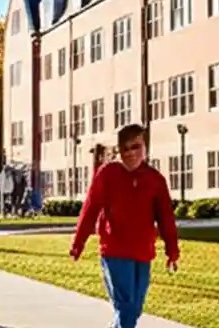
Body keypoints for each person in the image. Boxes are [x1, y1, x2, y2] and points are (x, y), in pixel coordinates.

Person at [70, 123, 180, 328]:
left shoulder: (155, 179)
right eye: (125, 148)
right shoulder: (107, 174)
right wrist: (78, 243)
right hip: (115, 251)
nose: (131, 153)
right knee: (126, 308)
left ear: (144, 147)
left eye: (136, 146)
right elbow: (90, 209)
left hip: (143, 252)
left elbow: (166, 217)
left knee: (134, 309)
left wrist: (172, 250)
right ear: (119, 150)